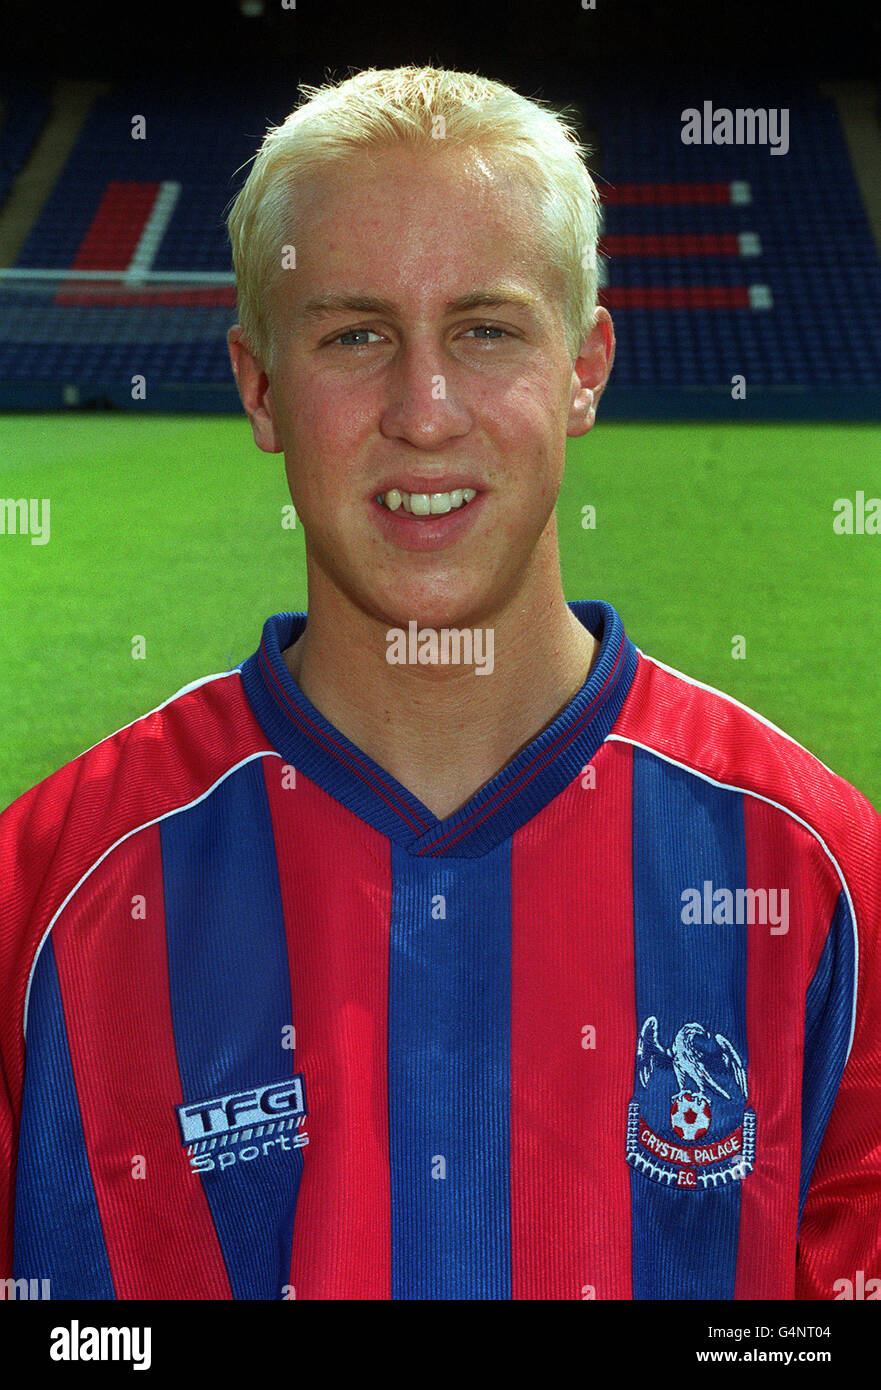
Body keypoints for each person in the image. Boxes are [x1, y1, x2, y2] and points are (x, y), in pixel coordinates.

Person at [1, 64, 879, 1301]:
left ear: (584, 368)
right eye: (354, 334)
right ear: (259, 386)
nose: (424, 411)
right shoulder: (46, 890)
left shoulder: (813, 871)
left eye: (485, 331)